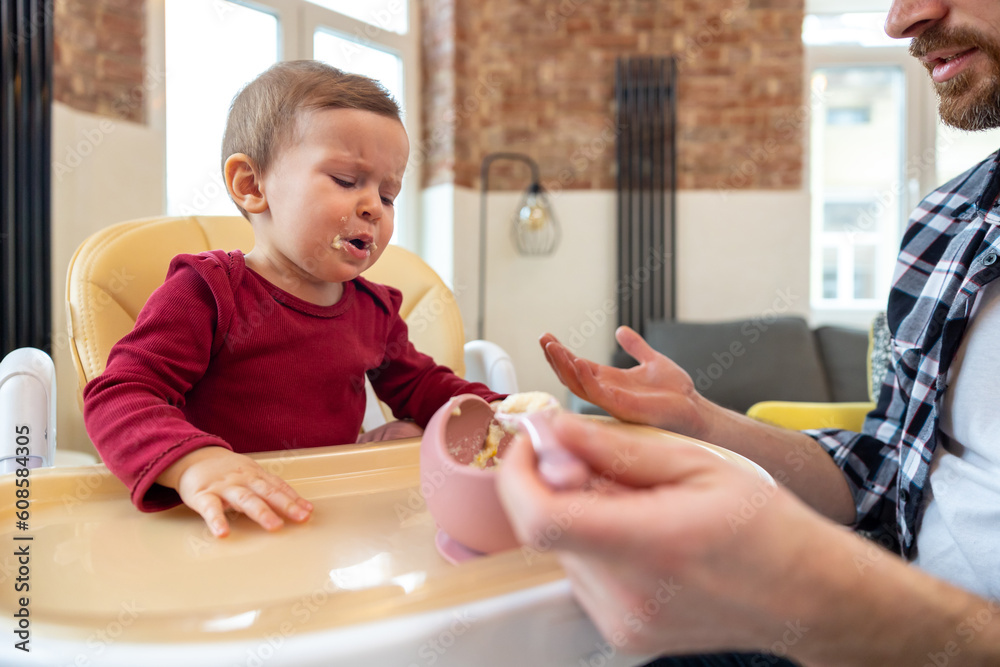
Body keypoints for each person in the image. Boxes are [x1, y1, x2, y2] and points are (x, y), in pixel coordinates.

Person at [497, 0, 1000, 663]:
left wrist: (821, 597)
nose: (902, 18)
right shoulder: (948, 220)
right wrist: (697, 417)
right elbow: (876, 476)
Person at [84, 61, 503, 538]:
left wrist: (511, 414)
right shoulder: (208, 291)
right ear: (252, 185)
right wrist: (193, 462)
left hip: (325, 514)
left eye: (388, 196)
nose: (373, 207)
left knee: (415, 433)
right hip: (227, 515)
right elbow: (121, 394)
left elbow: (427, 389)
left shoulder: (374, 310)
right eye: (347, 181)